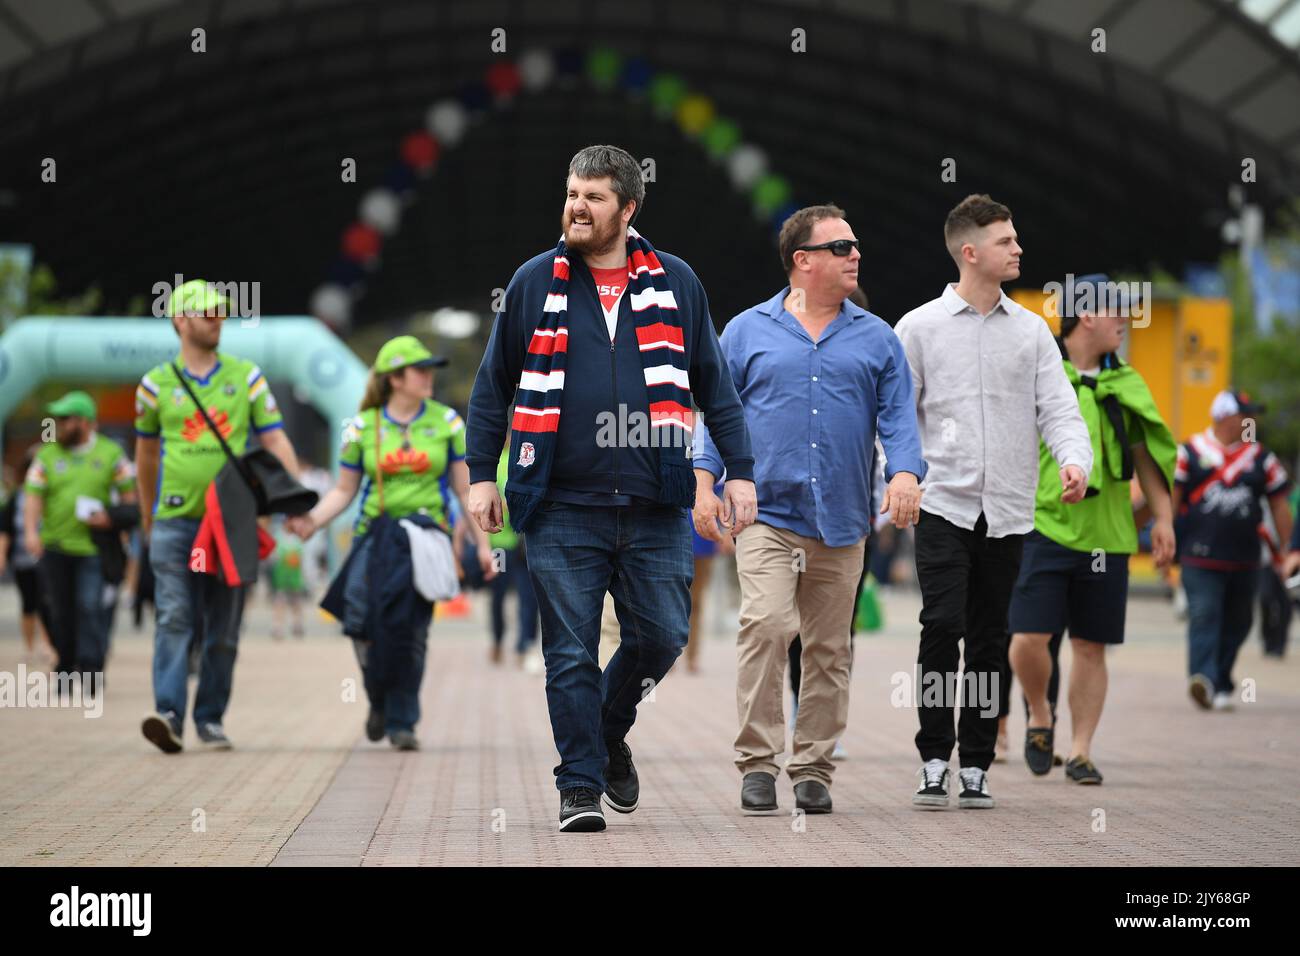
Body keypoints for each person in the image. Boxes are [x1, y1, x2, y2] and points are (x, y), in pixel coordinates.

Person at [466, 144, 755, 832]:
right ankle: (579, 785)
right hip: (560, 504)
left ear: (628, 208)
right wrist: (482, 475)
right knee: (568, 651)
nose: (577, 207)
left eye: (594, 197)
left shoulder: (676, 282)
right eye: (571, 193)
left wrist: (739, 471)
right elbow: (491, 389)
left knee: (662, 637)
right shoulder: (533, 282)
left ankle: (605, 730)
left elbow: (716, 387)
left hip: (656, 502)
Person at [694, 204, 926, 815]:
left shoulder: (877, 338)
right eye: (842, 246)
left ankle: (814, 767)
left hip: (845, 521)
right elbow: (716, 416)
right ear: (803, 261)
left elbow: (901, 419)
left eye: (855, 246)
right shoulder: (746, 331)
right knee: (767, 627)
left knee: (829, 649)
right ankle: (758, 764)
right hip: (764, 513)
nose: (856, 255)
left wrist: (905, 471)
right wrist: (703, 483)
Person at [894, 194, 1092, 810]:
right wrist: (895, 478)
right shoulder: (919, 328)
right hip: (941, 505)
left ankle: (976, 762)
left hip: (1007, 509)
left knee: (988, 637)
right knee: (941, 624)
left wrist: (1073, 458)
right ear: (970, 251)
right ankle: (933, 756)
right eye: (1007, 241)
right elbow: (896, 415)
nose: (1019, 249)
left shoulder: (1032, 331)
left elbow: (1058, 406)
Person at [1007, 275, 1177, 784]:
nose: (1125, 320)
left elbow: (1147, 456)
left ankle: (1080, 750)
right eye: (1115, 311)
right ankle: (1040, 712)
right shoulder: (1040, 375)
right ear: (1085, 317)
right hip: (1043, 525)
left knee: (1089, 645)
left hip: (1109, 535)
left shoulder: (1127, 383)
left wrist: (1164, 519)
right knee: (1028, 637)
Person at [299, 335, 495, 749]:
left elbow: (465, 491)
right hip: (375, 536)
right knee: (358, 618)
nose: (428, 377)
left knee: (412, 630)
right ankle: (377, 696)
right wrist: (312, 521)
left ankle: (404, 721)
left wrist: (481, 546)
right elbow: (344, 490)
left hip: (427, 539)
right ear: (394, 379)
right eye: (419, 370)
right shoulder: (361, 428)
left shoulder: (447, 423)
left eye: (430, 370)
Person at [136, 279, 301, 753]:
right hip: (174, 522)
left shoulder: (246, 376)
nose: (217, 320)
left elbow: (274, 440)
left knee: (224, 628)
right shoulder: (154, 386)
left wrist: (293, 501)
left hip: (234, 523)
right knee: (173, 618)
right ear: (180, 321)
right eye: (207, 313)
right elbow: (146, 456)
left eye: (221, 313)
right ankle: (168, 714)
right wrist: (149, 516)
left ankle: (209, 717)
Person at [1173, 390, 1292, 710]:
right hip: (1198, 556)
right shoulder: (1190, 452)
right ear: (1226, 417)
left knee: (1239, 623)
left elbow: (1279, 505)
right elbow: (1172, 499)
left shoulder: (1261, 459)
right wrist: (1165, 538)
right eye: (1245, 415)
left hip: (1246, 559)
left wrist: (1287, 548)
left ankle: (1220, 679)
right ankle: (1202, 678)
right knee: (1204, 614)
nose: (1251, 421)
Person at [22, 391, 136, 695]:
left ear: (84, 422)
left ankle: (90, 670)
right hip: (55, 547)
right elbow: (33, 496)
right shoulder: (47, 456)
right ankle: (65, 667)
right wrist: (32, 532)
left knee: (89, 608)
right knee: (59, 612)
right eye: (57, 419)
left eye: (65, 419)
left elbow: (129, 499)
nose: (58, 424)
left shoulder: (112, 454)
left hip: (94, 549)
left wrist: (113, 520)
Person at [0, 448, 55, 667]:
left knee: (48, 603)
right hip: (22, 558)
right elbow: (5, 529)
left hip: (49, 556)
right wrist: (2, 555)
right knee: (28, 603)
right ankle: (29, 646)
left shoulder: (53, 492)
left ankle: (48, 644)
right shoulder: (16, 497)